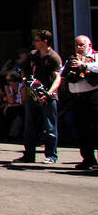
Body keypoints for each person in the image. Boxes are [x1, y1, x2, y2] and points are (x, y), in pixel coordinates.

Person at [17, 30, 63, 165]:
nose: (34, 43)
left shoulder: (53, 57)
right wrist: (25, 80)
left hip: (48, 96)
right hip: (33, 94)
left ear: (45, 41)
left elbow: (57, 78)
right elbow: (24, 70)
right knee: (29, 126)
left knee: (49, 127)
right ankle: (29, 154)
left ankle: (51, 155)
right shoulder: (33, 55)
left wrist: (49, 92)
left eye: (37, 40)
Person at [63, 34, 98, 169]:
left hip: (93, 96)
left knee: (95, 128)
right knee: (82, 129)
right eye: (76, 45)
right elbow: (63, 73)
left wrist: (83, 65)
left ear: (89, 45)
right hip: (77, 97)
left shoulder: (95, 56)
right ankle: (88, 159)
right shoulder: (72, 59)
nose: (78, 48)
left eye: (81, 45)